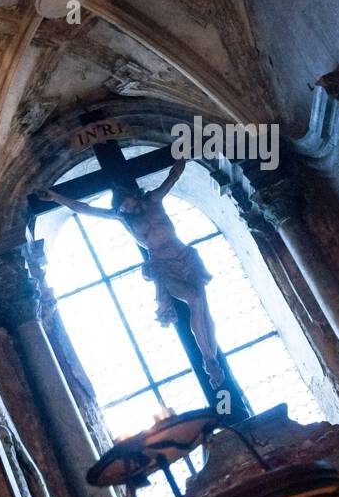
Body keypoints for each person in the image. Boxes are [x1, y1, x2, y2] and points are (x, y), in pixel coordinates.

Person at [41, 161, 224, 386]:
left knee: (202, 304)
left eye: (128, 205)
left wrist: (182, 154)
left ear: (134, 196)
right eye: (123, 209)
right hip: (164, 267)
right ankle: (208, 359)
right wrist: (56, 197)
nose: (127, 210)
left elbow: (172, 177)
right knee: (194, 299)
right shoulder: (123, 219)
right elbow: (85, 209)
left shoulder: (154, 200)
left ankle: (210, 357)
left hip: (186, 258)